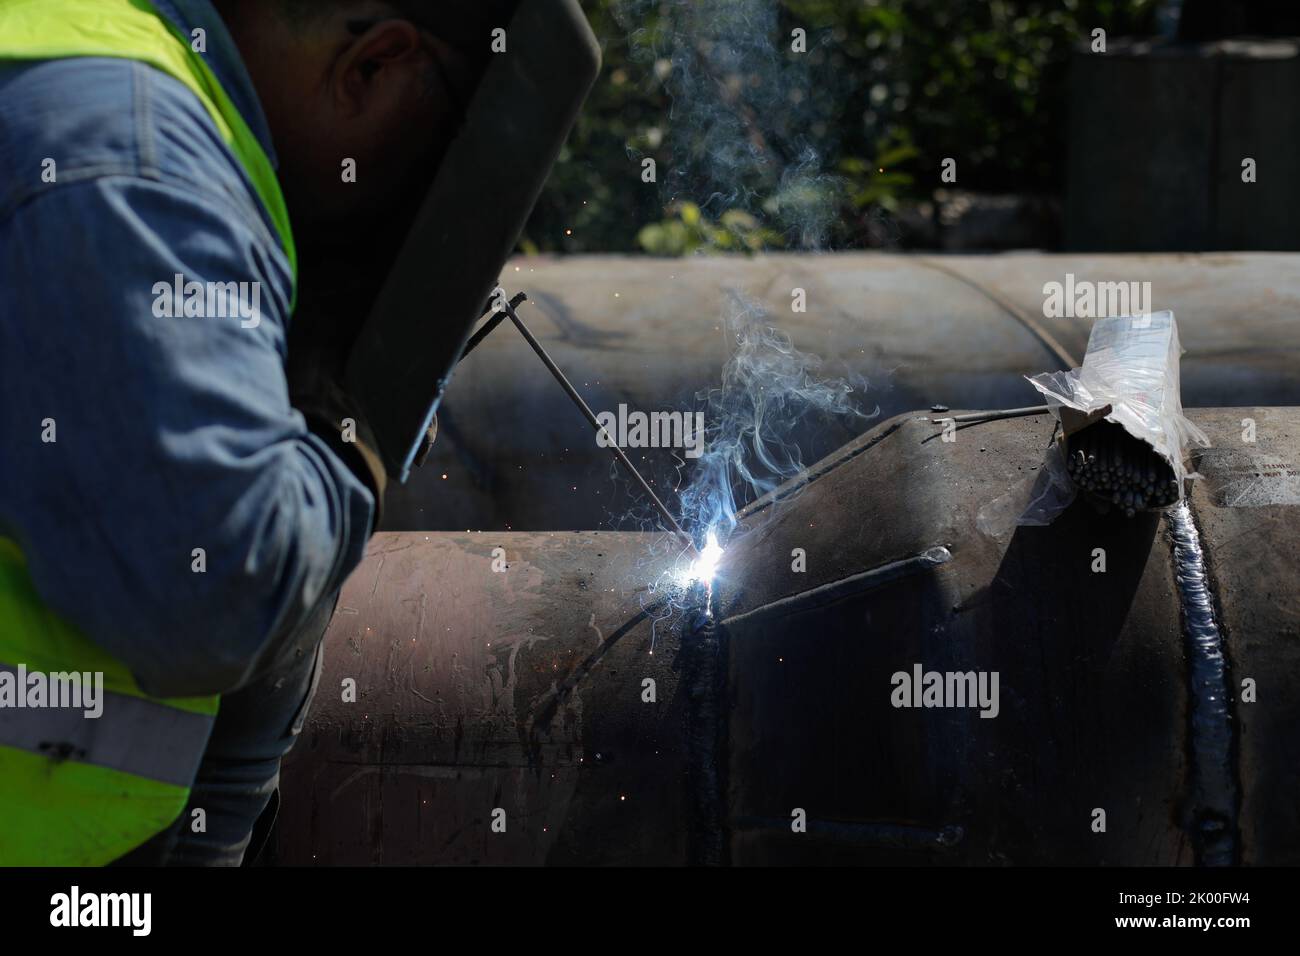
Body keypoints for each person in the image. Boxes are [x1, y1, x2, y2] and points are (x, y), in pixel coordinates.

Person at [0, 0, 503, 865]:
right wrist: (349, 446)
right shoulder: (140, 163)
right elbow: (208, 590)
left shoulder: (80, 51)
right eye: (447, 137)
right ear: (375, 65)